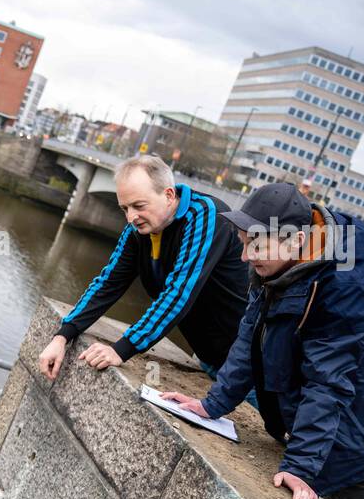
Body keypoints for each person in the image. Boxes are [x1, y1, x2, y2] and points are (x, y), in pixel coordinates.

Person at [161, 182, 364, 499]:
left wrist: (299, 466)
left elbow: (328, 382)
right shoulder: (274, 268)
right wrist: (211, 406)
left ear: (297, 239)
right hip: (328, 438)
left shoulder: (348, 284)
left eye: (254, 244)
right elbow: (250, 342)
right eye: (242, 242)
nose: (244, 257)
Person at [38, 154, 252, 388]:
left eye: (139, 206)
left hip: (249, 366)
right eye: (124, 208)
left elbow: (179, 292)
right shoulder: (140, 229)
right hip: (207, 358)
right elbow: (109, 282)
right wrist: (62, 336)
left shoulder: (206, 215)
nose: (131, 217)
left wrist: (122, 349)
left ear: (169, 195)